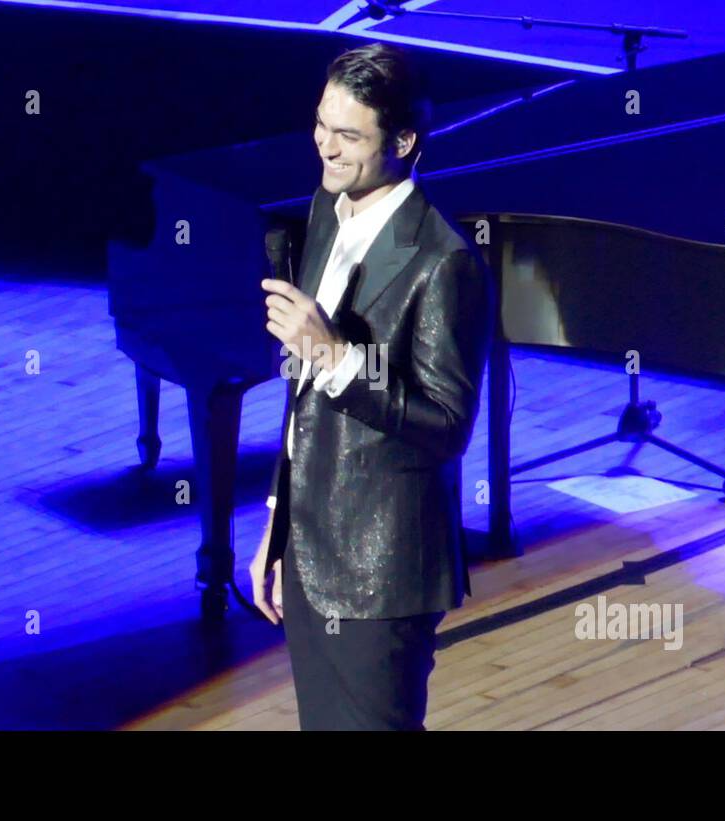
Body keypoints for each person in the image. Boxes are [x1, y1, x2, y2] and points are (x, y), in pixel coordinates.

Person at [250, 42, 493, 731]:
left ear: (404, 140)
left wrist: (336, 358)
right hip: (311, 547)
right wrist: (277, 522)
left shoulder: (444, 263)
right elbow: (303, 405)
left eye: (348, 134)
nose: (325, 146)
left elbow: (447, 422)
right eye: (322, 124)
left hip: (380, 571)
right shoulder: (329, 209)